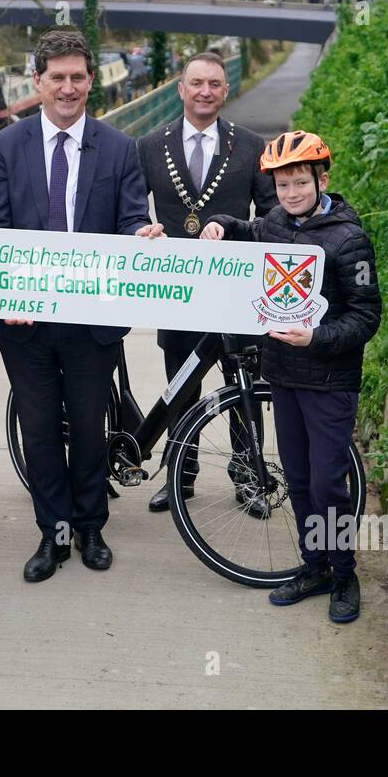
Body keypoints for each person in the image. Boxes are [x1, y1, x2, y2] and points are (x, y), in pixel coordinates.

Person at [0, 27, 164, 582]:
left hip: (92, 320)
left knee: (88, 425)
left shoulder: (119, 147)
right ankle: (52, 534)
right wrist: (5, 296)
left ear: (91, 83)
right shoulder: (6, 148)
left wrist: (141, 235)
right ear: (37, 82)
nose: (67, 87)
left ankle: (90, 526)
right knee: (38, 428)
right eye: (56, 78)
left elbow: (131, 215)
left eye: (77, 78)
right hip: (26, 322)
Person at [199, 131, 381, 624]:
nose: (292, 194)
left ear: (323, 179)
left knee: (328, 486)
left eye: (300, 182)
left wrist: (315, 339)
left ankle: (344, 575)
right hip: (283, 375)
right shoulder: (275, 223)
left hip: (329, 380)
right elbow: (243, 228)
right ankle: (315, 565)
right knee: (298, 481)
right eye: (282, 185)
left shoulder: (349, 239)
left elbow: (366, 318)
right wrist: (217, 224)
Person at [136, 51, 274, 512]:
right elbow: (135, 208)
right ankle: (181, 475)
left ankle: (248, 474)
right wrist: (143, 228)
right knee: (181, 384)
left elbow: (272, 215)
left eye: (214, 84)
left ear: (225, 90)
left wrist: (241, 231)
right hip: (177, 289)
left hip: (235, 287)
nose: (205, 91)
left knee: (245, 387)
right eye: (196, 83)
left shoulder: (252, 145)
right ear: (180, 89)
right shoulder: (150, 146)